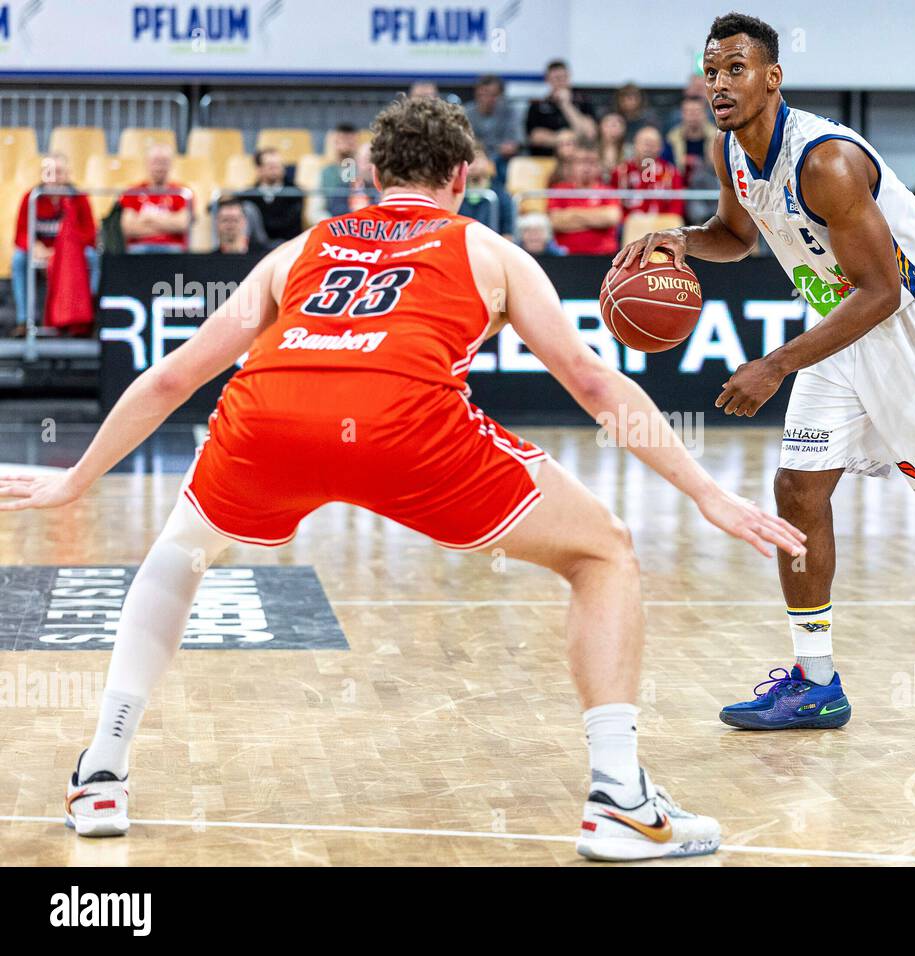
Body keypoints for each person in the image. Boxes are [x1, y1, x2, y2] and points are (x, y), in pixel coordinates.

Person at [1, 94, 804, 862]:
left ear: (372, 177)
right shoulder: (487, 249)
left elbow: (175, 378)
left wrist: (77, 477)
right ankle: (620, 798)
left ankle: (102, 772)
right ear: (462, 180)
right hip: (404, 425)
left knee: (179, 552)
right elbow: (594, 386)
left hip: (269, 415)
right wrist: (706, 490)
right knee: (602, 553)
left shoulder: (300, 250)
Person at [618, 12, 915, 742]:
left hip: (914, 315)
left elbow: (882, 291)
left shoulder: (826, 163)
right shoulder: (731, 152)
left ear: (773, 77)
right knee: (798, 487)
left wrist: (776, 364)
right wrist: (676, 241)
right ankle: (815, 683)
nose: (719, 83)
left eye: (736, 68)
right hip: (840, 313)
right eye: (710, 70)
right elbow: (738, 236)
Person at [11, 152, 98, 331]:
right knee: (19, 259)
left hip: (71, 254)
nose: (53, 177)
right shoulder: (31, 197)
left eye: (58, 172)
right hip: (41, 252)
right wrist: (33, 246)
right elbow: (20, 233)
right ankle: (24, 320)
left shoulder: (79, 198)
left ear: (67, 174)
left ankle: (89, 317)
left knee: (93, 257)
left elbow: (90, 234)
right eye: (48, 172)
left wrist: (62, 251)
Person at [547, 142, 622, 255]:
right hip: (565, 255)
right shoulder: (560, 190)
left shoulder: (608, 191)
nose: (586, 168)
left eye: (592, 163)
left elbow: (611, 218)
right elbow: (556, 221)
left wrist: (572, 214)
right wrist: (596, 217)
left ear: (599, 166)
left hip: (604, 255)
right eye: (581, 162)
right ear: (572, 166)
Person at [120, 144, 191, 253]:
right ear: (146, 163)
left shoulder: (182, 193)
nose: (159, 167)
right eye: (156, 162)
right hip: (139, 250)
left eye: (164, 162)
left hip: (173, 250)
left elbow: (182, 225)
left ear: (171, 164)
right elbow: (129, 228)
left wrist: (147, 218)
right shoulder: (133, 192)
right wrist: (168, 222)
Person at [525, 59, 597, 156]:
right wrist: (566, 140)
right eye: (556, 78)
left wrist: (566, 105)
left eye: (563, 77)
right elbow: (535, 137)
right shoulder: (538, 105)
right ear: (547, 79)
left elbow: (588, 133)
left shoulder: (584, 102)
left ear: (569, 76)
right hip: (546, 158)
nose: (560, 81)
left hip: (578, 158)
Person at [612, 126, 685, 218]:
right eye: (646, 143)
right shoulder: (621, 172)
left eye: (653, 144)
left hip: (662, 227)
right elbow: (615, 206)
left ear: (660, 148)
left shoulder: (672, 173)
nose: (649, 148)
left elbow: (676, 208)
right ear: (635, 145)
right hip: (629, 227)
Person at [238, 148, 305, 245]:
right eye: (270, 166)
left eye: (278, 165)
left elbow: (290, 225)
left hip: (288, 246)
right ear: (259, 169)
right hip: (256, 249)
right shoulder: (248, 195)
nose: (275, 170)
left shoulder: (295, 193)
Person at [464, 74, 523, 167]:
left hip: (504, 162)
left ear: (501, 96)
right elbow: (465, 143)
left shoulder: (510, 112)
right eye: (482, 95)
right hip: (475, 161)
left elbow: (513, 145)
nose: (486, 99)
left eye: (492, 95)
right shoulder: (466, 112)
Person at [461, 142, 514, 238]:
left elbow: (508, 233)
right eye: (468, 159)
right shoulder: (456, 193)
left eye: (478, 158)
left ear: (488, 162)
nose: (473, 162)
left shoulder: (501, 194)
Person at [665, 96, 716, 186]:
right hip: (680, 185)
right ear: (682, 114)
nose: (693, 116)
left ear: (705, 114)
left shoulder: (717, 137)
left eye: (697, 112)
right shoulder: (672, 139)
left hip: (709, 186)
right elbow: (666, 166)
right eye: (688, 112)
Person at [595, 112, 629, 180]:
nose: (612, 129)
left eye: (616, 125)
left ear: (623, 129)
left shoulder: (629, 151)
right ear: (600, 127)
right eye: (608, 125)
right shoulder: (593, 150)